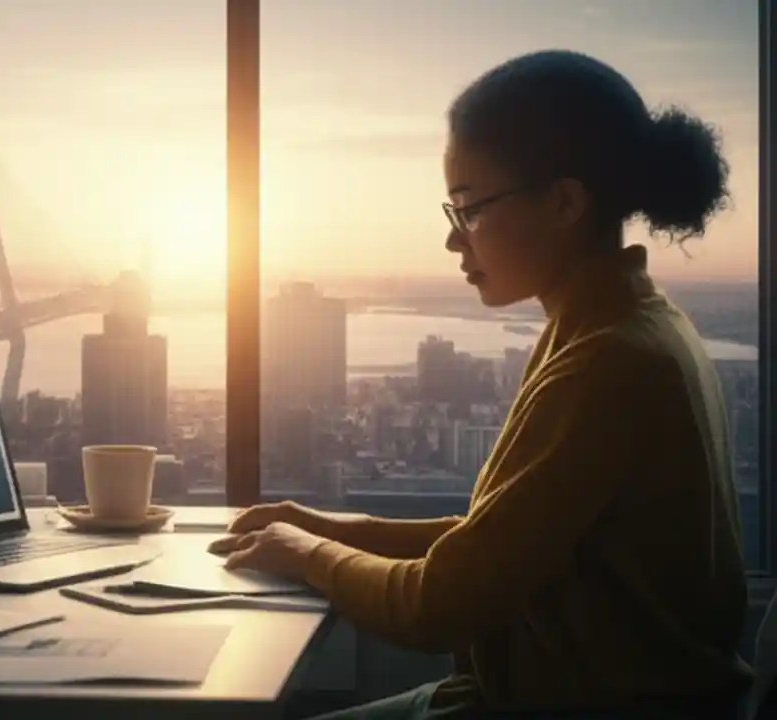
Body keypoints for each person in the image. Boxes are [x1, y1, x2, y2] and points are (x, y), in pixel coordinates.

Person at [209, 49, 752, 719]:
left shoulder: (609, 362)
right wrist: (326, 526)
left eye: (469, 210)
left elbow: (438, 607)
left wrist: (306, 552)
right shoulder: (621, 322)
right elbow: (495, 545)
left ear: (563, 203)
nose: (453, 242)